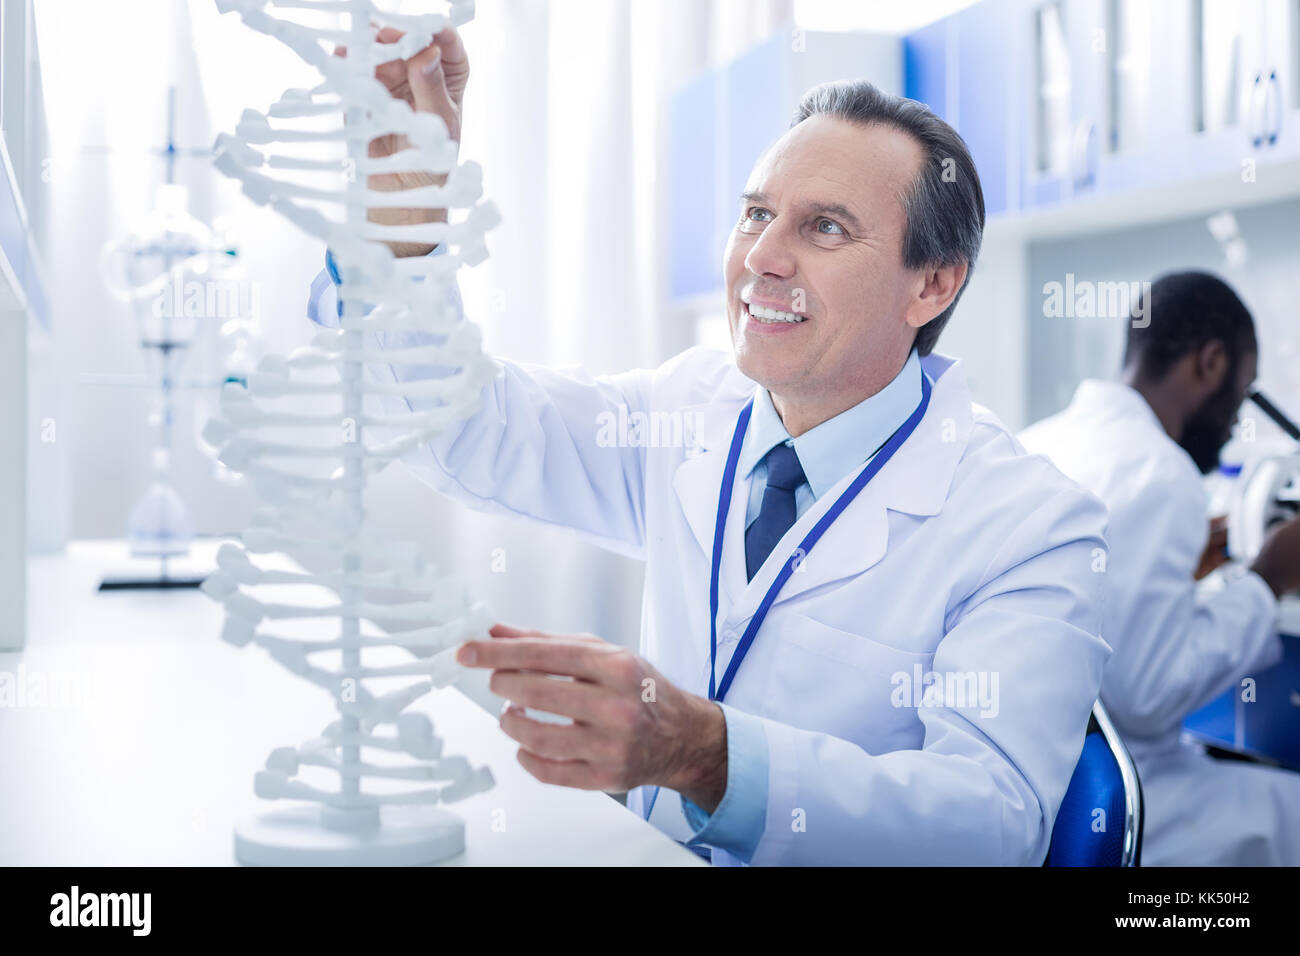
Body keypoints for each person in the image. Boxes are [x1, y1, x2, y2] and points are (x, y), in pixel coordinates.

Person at [307, 26, 1112, 865]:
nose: (760, 257)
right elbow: (467, 429)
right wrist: (400, 238)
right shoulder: (689, 408)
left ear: (933, 284)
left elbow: (989, 827)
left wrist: (705, 754)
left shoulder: (1031, 527)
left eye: (825, 228)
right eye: (757, 213)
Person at [1019, 271, 1300, 865]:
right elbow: (1150, 694)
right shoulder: (1162, 471)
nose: (1235, 422)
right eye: (1244, 389)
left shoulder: (1040, 441)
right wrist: (1268, 579)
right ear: (1211, 362)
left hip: (1040, 784)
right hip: (1121, 797)